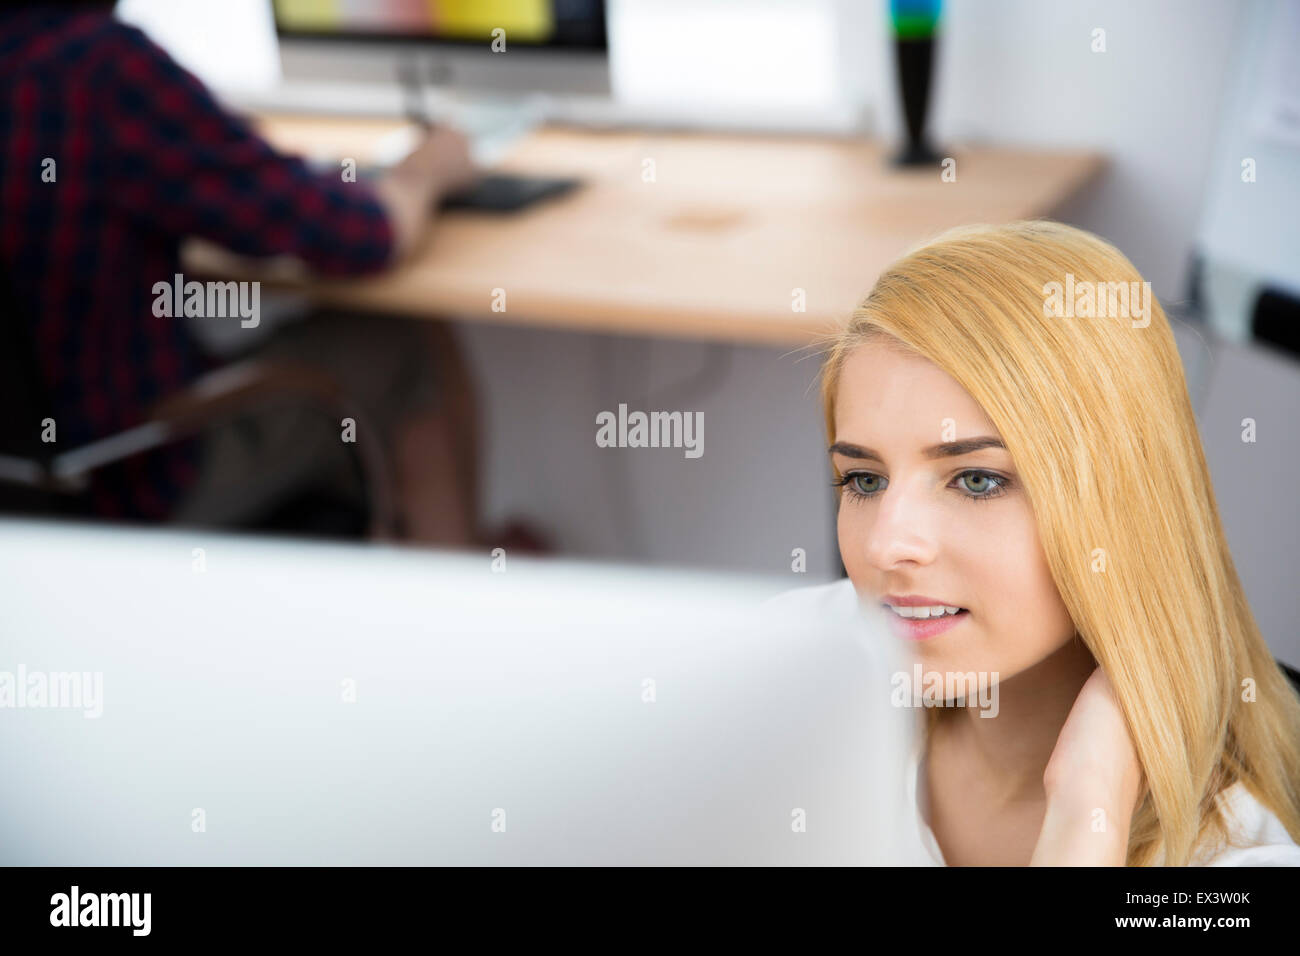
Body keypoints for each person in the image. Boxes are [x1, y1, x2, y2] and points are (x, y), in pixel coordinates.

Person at [791, 220, 1300, 865]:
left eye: (976, 480)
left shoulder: (1242, 857)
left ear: (1122, 504)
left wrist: (1087, 811)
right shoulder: (783, 668)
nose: (888, 545)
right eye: (864, 479)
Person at [0, 1, 513, 547]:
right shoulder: (102, 71)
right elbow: (362, 237)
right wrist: (424, 173)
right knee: (405, 343)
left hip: (22, 483)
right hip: (130, 481)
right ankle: (464, 587)